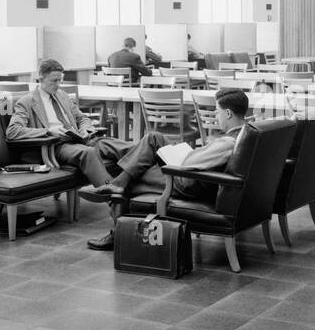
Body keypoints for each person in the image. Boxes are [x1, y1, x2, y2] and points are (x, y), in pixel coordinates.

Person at [82, 87, 250, 250]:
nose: (216, 116)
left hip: (185, 181)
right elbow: (199, 158)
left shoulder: (228, 142)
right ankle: (117, 179)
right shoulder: (245, 133)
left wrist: (186, 152)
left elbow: (189, 162)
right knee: (153, 138)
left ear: (228, 113)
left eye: (217, 112)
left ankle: (118, 231)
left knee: (134, 173)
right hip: (196, 175)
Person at [5, 58, 128, 185]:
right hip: (58, 145)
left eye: (60, 80)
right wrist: (48, 131)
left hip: (81, 139)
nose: (58, 84)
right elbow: (13, 131)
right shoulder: (26, 102)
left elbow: (82, 118)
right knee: (88, 152)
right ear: (41, 78)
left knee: (124, 147)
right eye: (54, 81)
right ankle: (111, 191)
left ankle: (136, 188)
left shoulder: (62, 95)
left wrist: (85, 129)